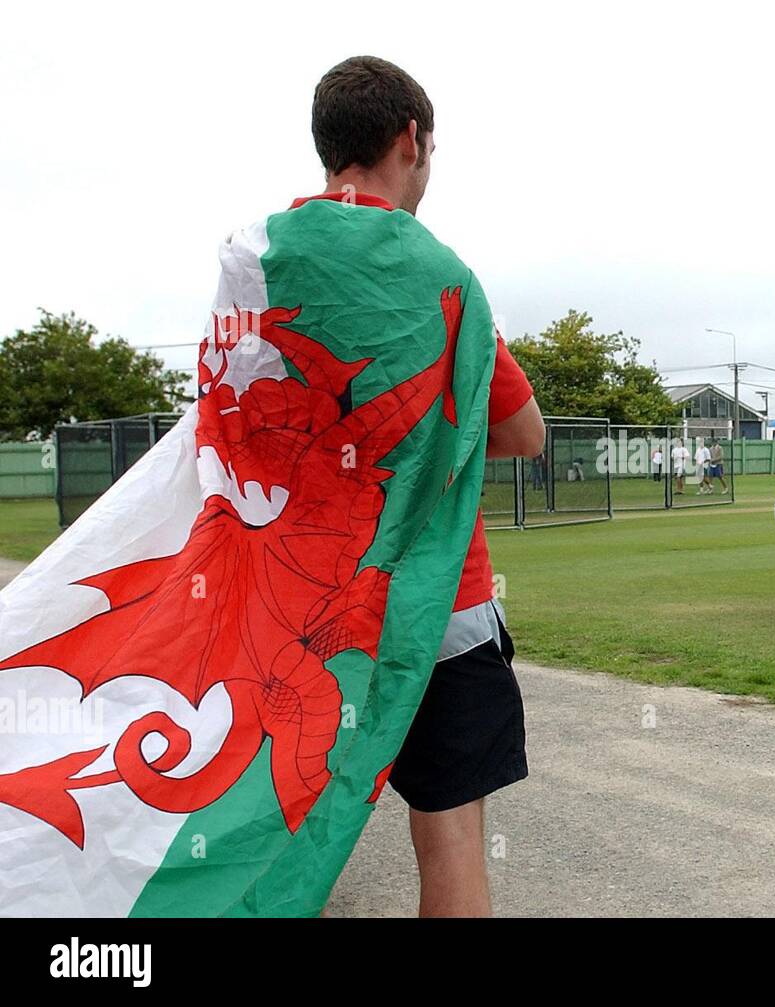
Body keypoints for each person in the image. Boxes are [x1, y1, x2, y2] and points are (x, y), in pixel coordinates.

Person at [311, 57, 545, 918]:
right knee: (446, 834)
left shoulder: (262, 268)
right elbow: (526, 433)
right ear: (410, 141)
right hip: (437, 606)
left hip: (304, 604)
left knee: (276, 825)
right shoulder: (440, 280)